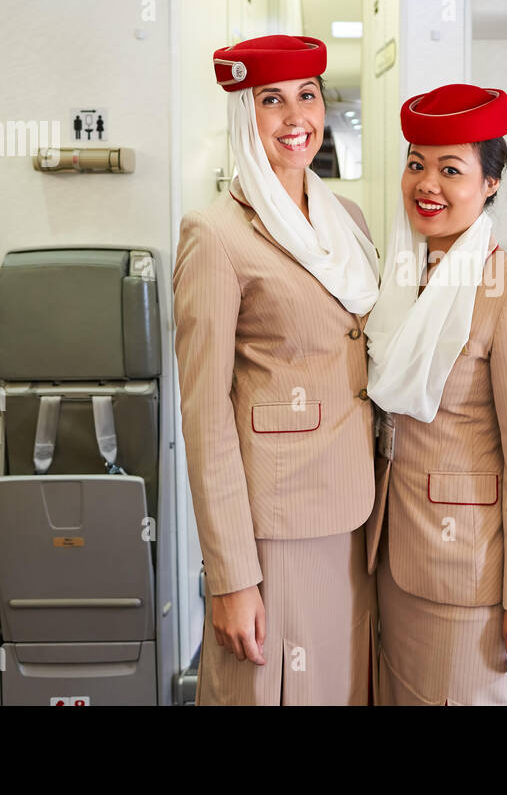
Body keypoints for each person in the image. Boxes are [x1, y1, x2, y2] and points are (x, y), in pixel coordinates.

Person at [172, 35, 380, 705]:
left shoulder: (345, 219)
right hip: (278, 523)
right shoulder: (216, 235)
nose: (296, 117)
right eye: (272, 100)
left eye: (307, 95)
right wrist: (232, 576)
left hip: (354, 512)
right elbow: (205, 417)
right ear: (243, 114)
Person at [364, 83, 507, 705]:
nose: (427, 184)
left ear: (490, 182)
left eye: (451, 169)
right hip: (391, 553)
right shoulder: (398, 280)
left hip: (466, 572)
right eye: (416, 164)